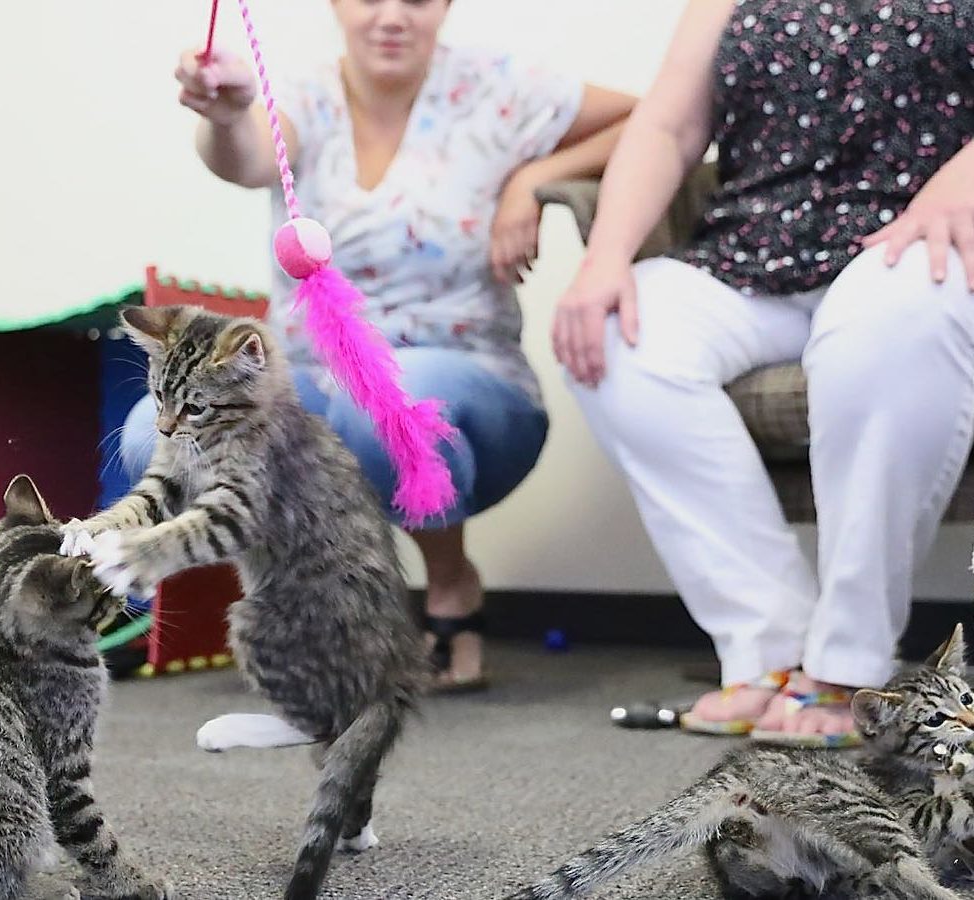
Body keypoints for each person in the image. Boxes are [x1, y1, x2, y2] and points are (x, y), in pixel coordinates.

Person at [121, 0, 635, 691]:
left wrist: (530, 180)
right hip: (310, 379)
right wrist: (222, 113)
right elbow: (242, 158)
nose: (392, 15)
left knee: (384, 399)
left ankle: (450, 582)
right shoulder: (305, 98)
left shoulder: (501, 89)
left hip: (470, 388)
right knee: (150, 438)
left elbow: (656, 122)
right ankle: (320, 614)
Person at [557, 0, 974, 745]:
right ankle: (770, 647)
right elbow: (667, 125)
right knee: (615, 336)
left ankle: (850, 664)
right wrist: (604, 259)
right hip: (752, 248)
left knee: (886, 324)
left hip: (919, 234)